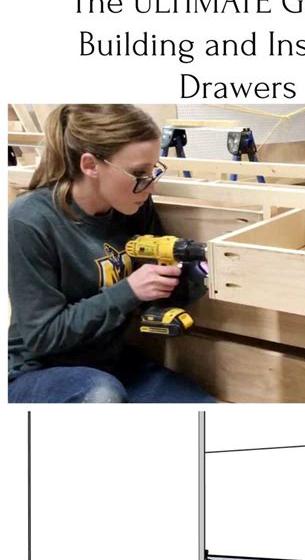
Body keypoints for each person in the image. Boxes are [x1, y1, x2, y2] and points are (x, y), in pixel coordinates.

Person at [8, 104, 216, 403]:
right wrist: (129, 291)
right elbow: (43, 337)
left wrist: (197, 275)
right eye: (138, 173)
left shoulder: (134, 205)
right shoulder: (30, 220)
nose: (151, 186)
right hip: (37, 373)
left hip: (114, 367)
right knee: (101, 396)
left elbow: (157, 298)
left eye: (154, 170)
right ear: (90, 165)